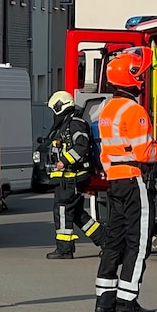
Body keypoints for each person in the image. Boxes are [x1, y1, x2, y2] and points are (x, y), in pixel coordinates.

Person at [93, 46, 157, 312]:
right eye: (142, 75)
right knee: (138, 243)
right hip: (133, 180)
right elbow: (144, 152)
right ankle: (127, 302)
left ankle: (105, 300)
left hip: (113, 181)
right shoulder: (134, 111)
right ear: (132, 78)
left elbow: (104, 151)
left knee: (114, 240)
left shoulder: (106, 109)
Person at [44, 90, 106, 259]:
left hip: (72, 177)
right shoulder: (67, 124)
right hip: (69, 177)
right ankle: (106, 241)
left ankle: (64, 249)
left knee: (62, 209)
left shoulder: (75, 123)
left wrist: (64, 160)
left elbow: (81, 145)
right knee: (77, 214)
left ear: (59, 107)